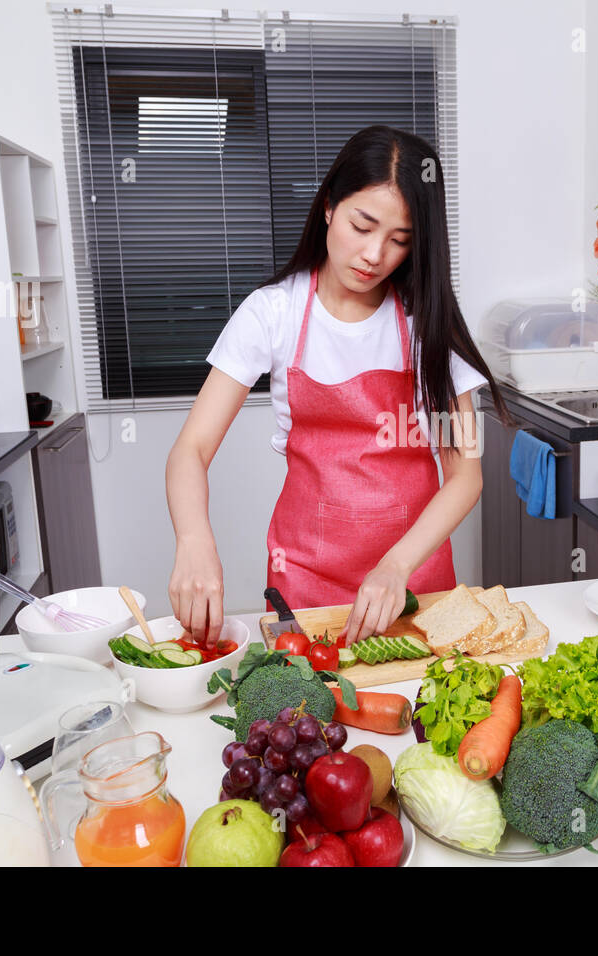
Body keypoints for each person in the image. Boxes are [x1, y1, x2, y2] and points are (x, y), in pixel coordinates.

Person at [166, 125, 509, 646]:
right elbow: (190, 448)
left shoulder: (427, 325)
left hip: (412, 582)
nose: (375, 254)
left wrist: (395, 567)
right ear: (329, 205)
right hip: (304, 584)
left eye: (399, 240)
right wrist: (194, 540)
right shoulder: (274, 313)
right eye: (362, 225)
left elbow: (466, 475)